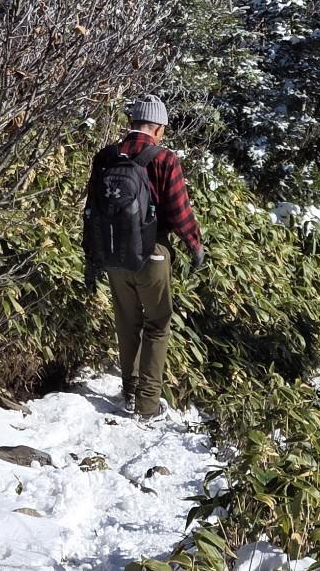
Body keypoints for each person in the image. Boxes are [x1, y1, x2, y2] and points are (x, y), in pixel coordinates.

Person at [82, 94, 206, 417]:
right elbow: (180, 212)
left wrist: (91, 259)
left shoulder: (106, 157)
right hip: (153, 254)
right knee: (158, 323)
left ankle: (130, 391)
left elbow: (91, 211)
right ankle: (148, 405)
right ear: (159, 128)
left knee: (127, 322)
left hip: (113, 254)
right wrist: (195, 245)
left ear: (132, 124)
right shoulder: (164, 159)